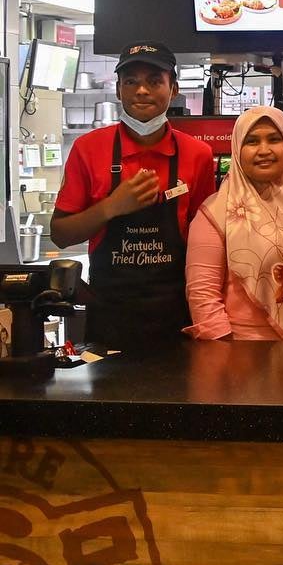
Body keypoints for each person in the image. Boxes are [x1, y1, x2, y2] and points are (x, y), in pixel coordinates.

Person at [52, 41, 216, 353]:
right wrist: (112, 207)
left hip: (178, 316)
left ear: (174, 88)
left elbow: (205, 241)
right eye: (131, 81)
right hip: (110, 317)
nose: (142, 90)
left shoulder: (198, 155)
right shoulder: (89, 149)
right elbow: (60, 234)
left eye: (154, 81)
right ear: (118, 90)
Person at [185, 107, 283, 339]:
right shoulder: (216, 212)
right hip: (242, 352)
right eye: (251, 141)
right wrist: (226, 357)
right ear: (237, 149)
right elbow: (203, 296)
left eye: (274, 139)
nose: (264, 150)